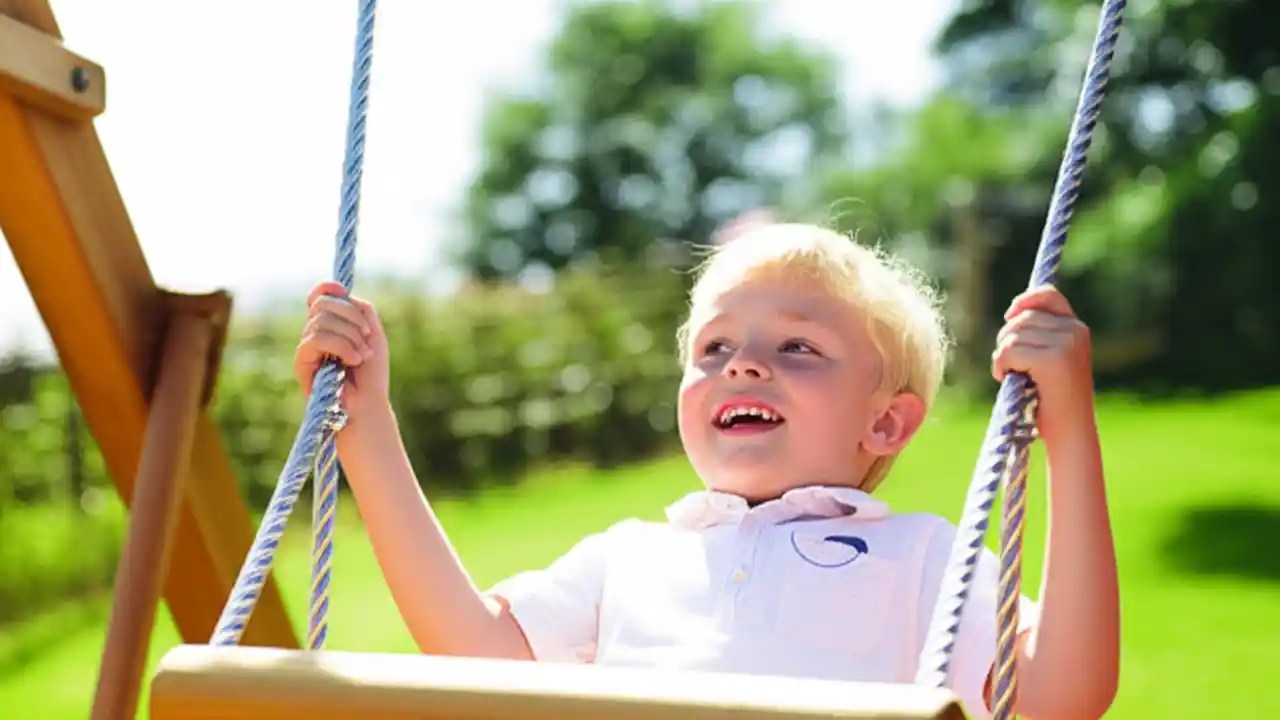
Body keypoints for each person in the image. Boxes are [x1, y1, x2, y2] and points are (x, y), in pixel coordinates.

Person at [294, 221, 1120, 719]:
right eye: (714, 346)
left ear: (886, 421)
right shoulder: (627, 559)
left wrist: (1069, 433)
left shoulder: (925, 559)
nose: (744, 366)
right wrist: (367, 430)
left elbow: (1060, 700)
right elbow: (473, 652)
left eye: (796, 346)